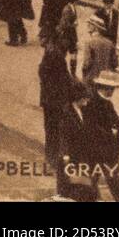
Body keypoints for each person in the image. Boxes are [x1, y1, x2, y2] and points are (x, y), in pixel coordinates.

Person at [86, 74, 119, 201]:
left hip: (109, 151)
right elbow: (92, 127)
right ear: (103, 87)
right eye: (111, 88)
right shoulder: (93, 103)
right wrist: (111, 133)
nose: (112, 91)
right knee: (102, 182)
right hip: (98, 150)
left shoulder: (107, 103)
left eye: (113, 88)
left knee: (110, 182)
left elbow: (117, 123)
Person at [38, 38, 74, 166]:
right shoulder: (57, 57)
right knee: (56, 131)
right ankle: (53, 161)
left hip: (48, 100)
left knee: (51, 130)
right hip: (56, 101)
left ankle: (50, 160)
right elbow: (64, 79)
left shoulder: (49, 55)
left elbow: (43, 74)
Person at [81, 17, 116, 89]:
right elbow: (115, 63)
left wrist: (84, 75)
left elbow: (87, 63)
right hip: (105, 81)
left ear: (95, 28)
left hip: (91, 80)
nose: (88, 26)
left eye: (90, 24)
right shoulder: (110, 44)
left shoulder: (89, 42)